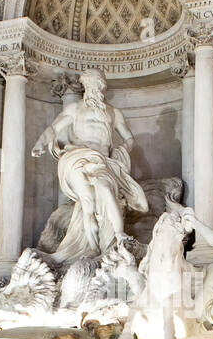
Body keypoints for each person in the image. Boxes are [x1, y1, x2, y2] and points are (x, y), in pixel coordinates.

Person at [30, 68, 147, 264]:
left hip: (102, 161)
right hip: (77, 156)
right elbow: (53, 128)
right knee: (87, 202)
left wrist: (121, 151)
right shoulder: (75, 109)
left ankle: (119, 235)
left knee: (104, 187)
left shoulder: (113, 112)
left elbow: (129, 138)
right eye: (92, 83)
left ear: (102, 86)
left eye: (99, 83)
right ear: (86, 86)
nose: (96, 87)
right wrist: (40, 143)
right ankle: (93, 249)